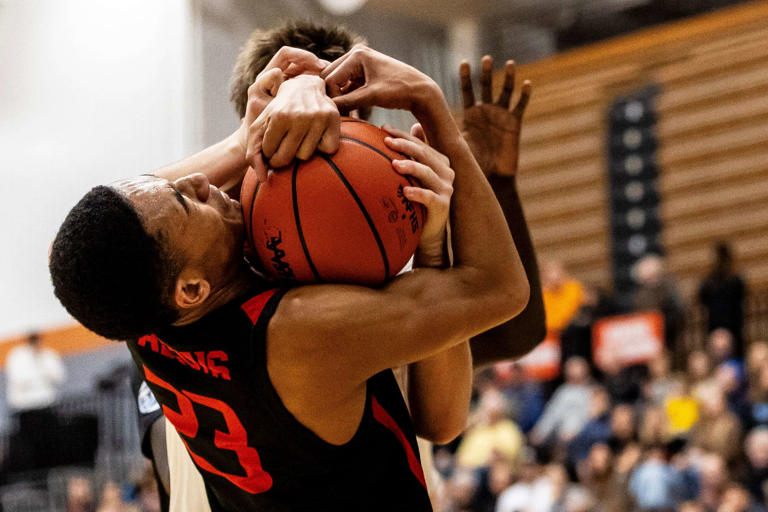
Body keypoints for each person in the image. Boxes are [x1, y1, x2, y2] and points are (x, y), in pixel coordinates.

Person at [49, 43, 530, 511]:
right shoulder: (302, 328)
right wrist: (427, 101)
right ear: (191, 290)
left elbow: (75, 240)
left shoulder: (138, 300)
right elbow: (501, 289)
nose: (201, 181)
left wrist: (249, 134)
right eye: (185, 199)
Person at [5, 331, 66, 471]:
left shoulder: (48, 355)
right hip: (25, 411)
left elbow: (59, 377)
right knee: (30, 449)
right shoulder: (17, 356)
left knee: (49, 447)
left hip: (47, 409)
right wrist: (40, 376)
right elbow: (19, 380)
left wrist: (40, 364)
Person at [699, 242, 747, 359]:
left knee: (734, 355)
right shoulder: (711, 280)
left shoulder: (733, 279)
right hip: (718, 323)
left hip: (731, 324)